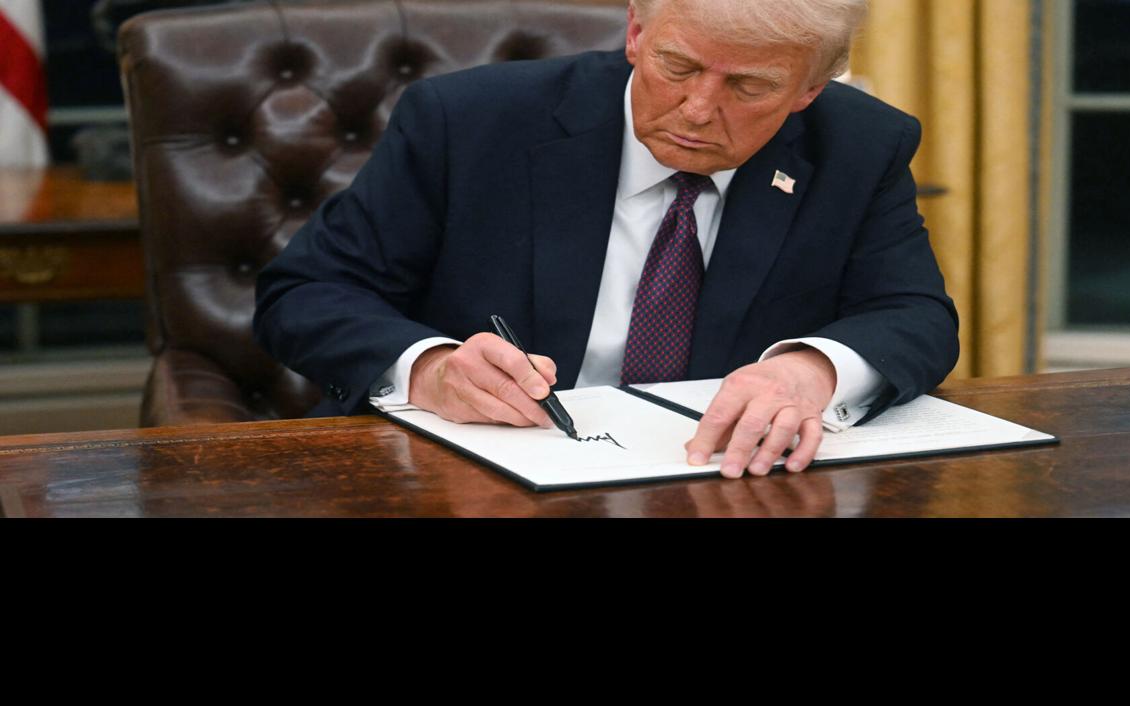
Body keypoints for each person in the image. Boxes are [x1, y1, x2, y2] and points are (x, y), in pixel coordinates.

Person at [254, 0, 958, 478]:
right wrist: (431, 369)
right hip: (471, 481)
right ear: (636, 33)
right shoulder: (468, 121)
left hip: (724, 484)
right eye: (678, 66)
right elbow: (306, 292)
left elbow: (914, 313)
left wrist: (809, 372)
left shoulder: (859, 145)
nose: (698, 109)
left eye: (749, 87)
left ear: (809, 90)